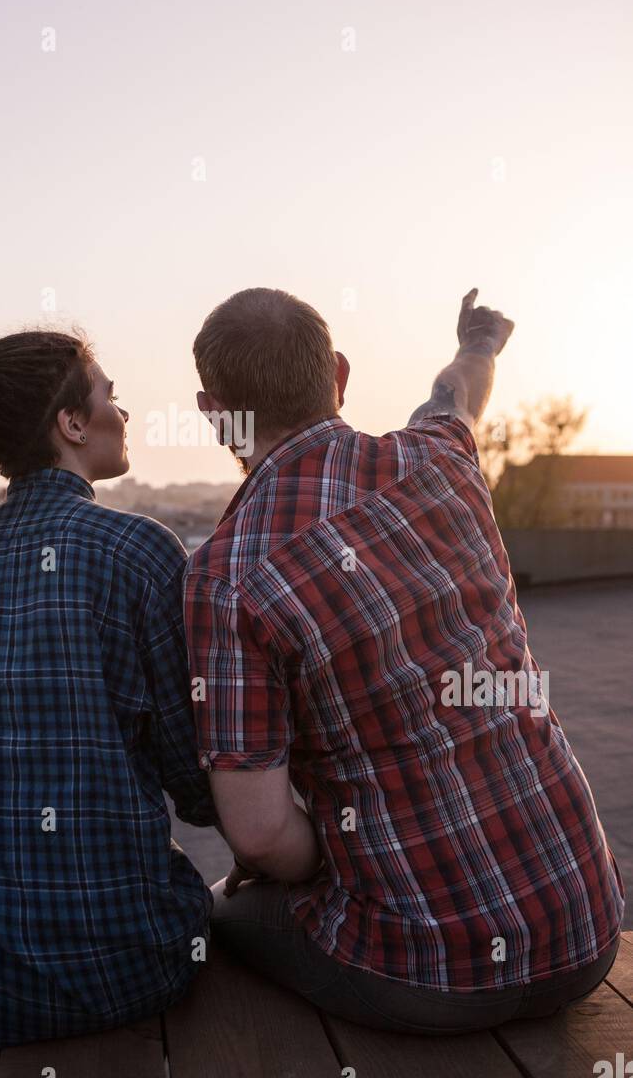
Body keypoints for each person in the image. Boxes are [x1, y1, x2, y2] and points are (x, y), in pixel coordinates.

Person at [183, 287, 625, 1036]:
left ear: (213, 411)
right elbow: (458, 389)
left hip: (423, 975)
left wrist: (344, 848)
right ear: (341, 376)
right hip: (585, 930)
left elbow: (260, 838)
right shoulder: (440, 456)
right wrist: (481, 340)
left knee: (222, 906)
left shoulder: (227, 575)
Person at [0, 329, 216, 1048]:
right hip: (117, 967)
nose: (123, 411)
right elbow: (197, 779)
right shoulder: (140, 552)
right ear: (72, 424)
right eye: (110, 395)